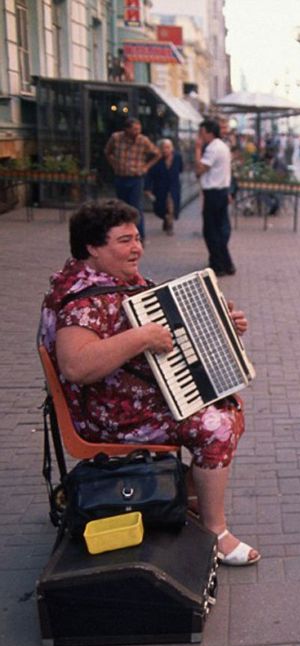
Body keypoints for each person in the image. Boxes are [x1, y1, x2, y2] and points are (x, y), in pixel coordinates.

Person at [39, 199, 259, 565]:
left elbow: (172, 326)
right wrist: (141, 338)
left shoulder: (109, 282)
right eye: (124, 240)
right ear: (92, 247)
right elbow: (76, 366)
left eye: (138, 238)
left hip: (127, 398)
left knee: (226, 402)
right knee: (215, 426)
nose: (137, 247)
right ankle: (215, 532)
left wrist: (224, 324)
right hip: (108, 416)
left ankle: (183, 495)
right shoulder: (81, 302)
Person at [104, 117, 160, 240]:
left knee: (135, 207)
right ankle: (123, 234)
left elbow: (157, 153)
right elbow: (107, 152)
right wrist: (114, 164)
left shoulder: (143, 140)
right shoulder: (116, 138)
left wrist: (146, 167)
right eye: (134, 129)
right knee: (121, 207)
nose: (137, 132)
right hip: (121, 176)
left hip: (136, 178)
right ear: (127, 129)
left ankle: (139, 236)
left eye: (139, 129)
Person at [194, 119, 236, 277]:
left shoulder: (212, 148)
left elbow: (200, 169)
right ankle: (226, 263)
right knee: (219, 229)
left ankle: (218, 265)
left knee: (211, 230)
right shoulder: (222, 146)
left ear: (209, 132)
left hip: (214, 193)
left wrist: (197, 150)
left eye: (202, 133)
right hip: (221, 191)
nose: (200, 136)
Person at [145, 138, 183, 236]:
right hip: (160, 187)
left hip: (173, 186)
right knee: (160, 207)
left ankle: (170, 225)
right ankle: (166, 218)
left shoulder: (177, 157)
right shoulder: (156, 159)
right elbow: (150, 174)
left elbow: (180, 169)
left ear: (172, 148)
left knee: (171, 204)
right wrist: (147, 188)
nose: (166, 150)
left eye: (168, 147)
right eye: (163, 148)